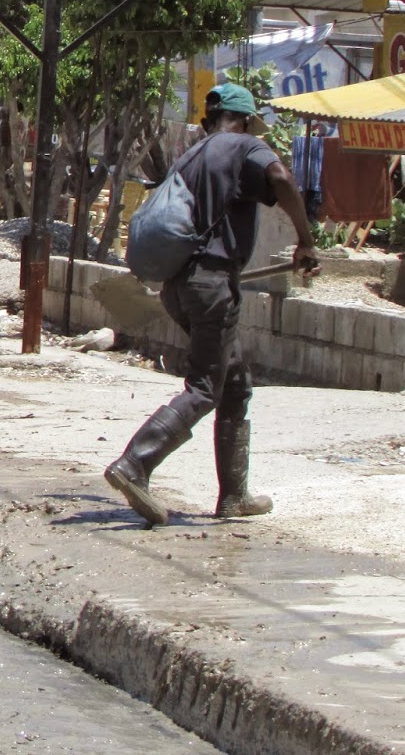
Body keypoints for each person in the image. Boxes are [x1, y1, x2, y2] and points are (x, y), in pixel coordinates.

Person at [104, 83, 319, 527]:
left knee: (234, 381)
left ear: (208, 120)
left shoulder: (191, 154)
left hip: (178, 287)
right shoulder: (246, 145)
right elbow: (281, 178)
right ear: (246, 120)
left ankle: (234, 495)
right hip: (211, 284)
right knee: (205, 387)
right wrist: (306, 241)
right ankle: (135, 464)